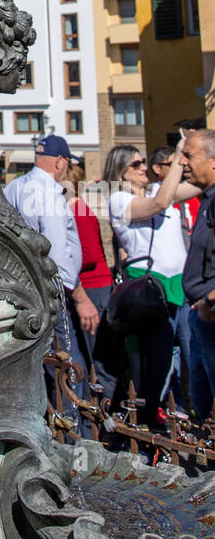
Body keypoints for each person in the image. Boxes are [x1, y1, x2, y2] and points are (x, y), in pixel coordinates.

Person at [105, 141, 197, 429]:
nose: (143, 167)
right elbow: (159, 205)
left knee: (182, 356)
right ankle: (142, 425)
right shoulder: (119, 200)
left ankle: (156, 415)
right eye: (136, 164)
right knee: (154, 361)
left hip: (176, 286)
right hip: (147, 290)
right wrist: (181, 156)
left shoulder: (160, 190)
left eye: (143, 162)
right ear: (120, 171)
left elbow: (198, 187)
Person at [4, 136, 98, 417]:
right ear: (59, 162)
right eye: (67, 164)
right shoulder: (49, 194)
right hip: (53, 293)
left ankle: (51, 422)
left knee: (41, 362)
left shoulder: (15, 187)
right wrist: (80, 297)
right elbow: (57, 257)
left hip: (24, 288)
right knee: (67, 364)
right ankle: (71, 432)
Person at [66, 161, 118, 405]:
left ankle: (108, 410)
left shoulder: (78, 211)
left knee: (100, 355)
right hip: (88, 286)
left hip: (94, 287)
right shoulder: (73, 209)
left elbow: (90, 255)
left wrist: (61, 261)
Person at [150, 144, 197, 411]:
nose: (183, 168)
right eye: (175, 164)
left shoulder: (194, 192)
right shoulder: (158, 194)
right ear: (159, 169)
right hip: (170, 288)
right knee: (173, 356)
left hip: (188, 287)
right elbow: (162, 199)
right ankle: (177, 407)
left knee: (192, 354)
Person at [180, 130, 215, 421]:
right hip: (201, 315)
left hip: (211, 314)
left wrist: (210, 301)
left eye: (189, 156)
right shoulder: (207, 196)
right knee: (203, 407)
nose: (182, 162)